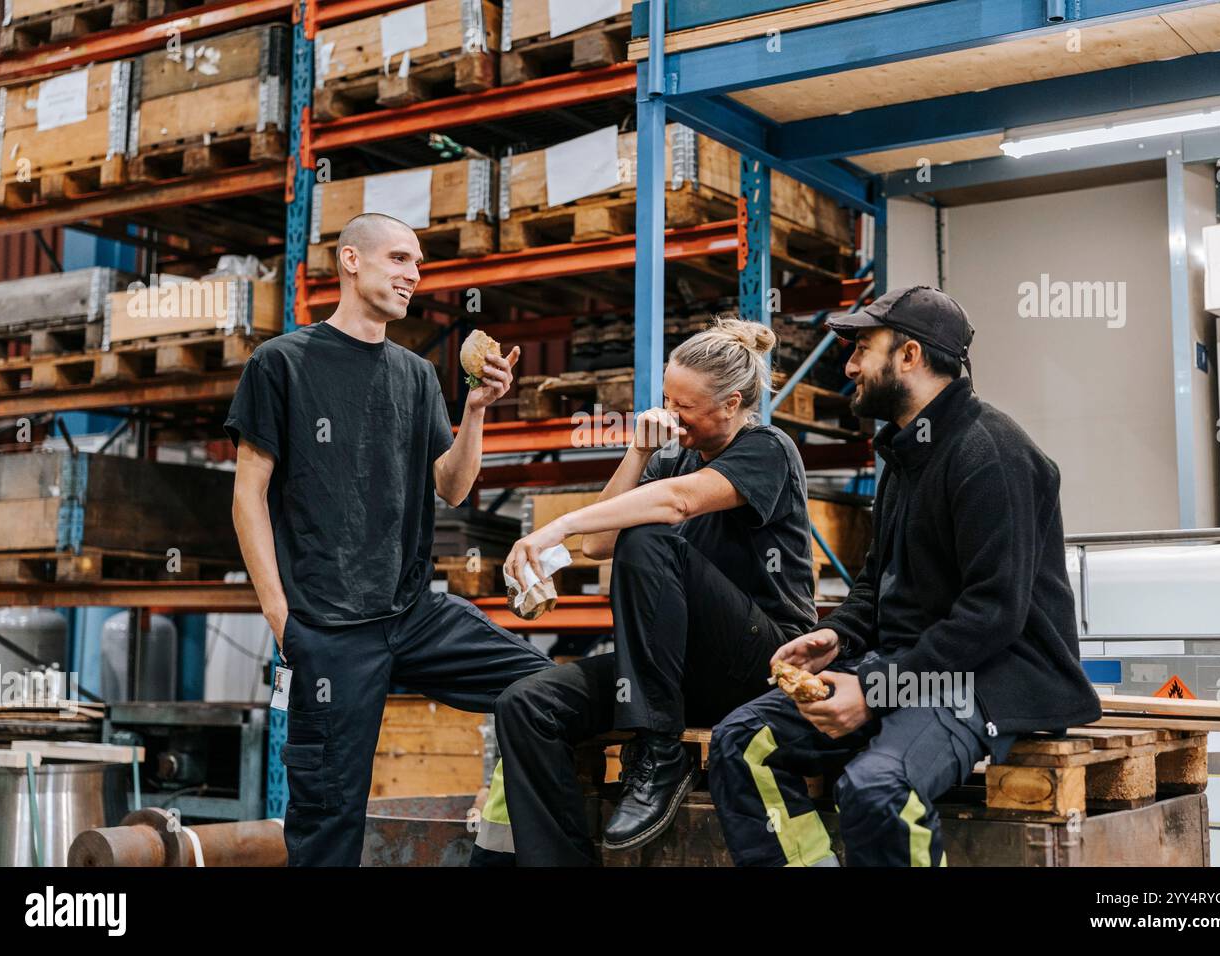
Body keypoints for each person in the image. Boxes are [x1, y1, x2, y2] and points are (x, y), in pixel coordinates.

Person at [706, 286, 1103, 867]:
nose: (849, 366)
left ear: (910, 355)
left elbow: (991, 617)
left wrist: (874, 688)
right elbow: (875, 584)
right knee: (742, 743)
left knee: (876, 790)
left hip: (984, 676)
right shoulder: (903, 455)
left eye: (862, 347)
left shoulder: (991, 455)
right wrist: (839, 636)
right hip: (908, 664)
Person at [226, 213, 552, 866]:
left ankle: (506, 854)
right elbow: (247, 494)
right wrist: (281, 615)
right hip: (328, 624)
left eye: (418, 265)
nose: (413, 276)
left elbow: (453, 487)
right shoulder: (282, 364)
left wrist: (477, 412)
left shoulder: (415, 375)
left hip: (414, 613)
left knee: (543, 690)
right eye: (401, 259)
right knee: (328, 816)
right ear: (351, 260)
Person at [470, 317, 818, 866]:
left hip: (760, 663)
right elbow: (600, 545)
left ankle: (659, 751)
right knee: (527, 703)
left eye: (684, 407)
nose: (669, 415)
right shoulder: (672, 457)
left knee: (651, 539)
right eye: (665, 399)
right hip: (673, 672)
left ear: (730, 404)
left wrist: (557, 525)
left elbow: (674, 505)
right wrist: (637, 452)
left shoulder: (768, 450)